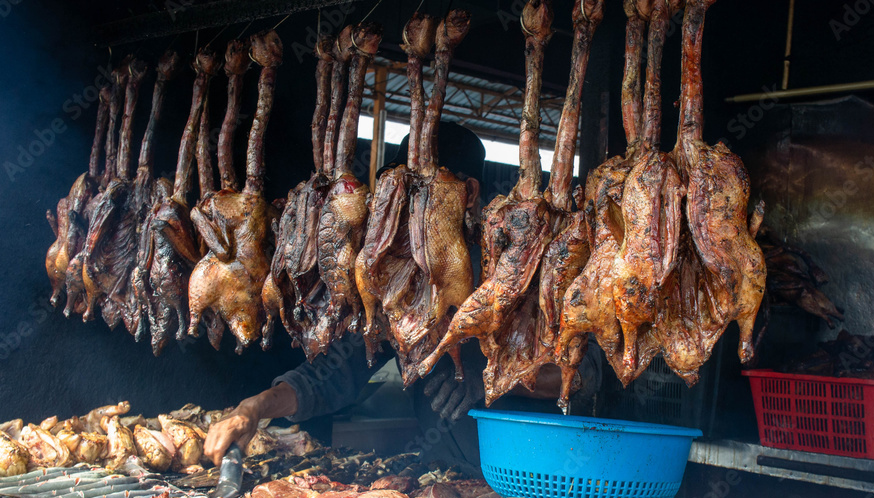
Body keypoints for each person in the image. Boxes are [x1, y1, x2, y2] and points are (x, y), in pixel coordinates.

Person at [204, 123, 603, 474]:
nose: (399, 212)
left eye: (417, 196)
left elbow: (588, 373)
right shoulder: (396, 282)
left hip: (547, 477)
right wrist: (254, 409)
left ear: (467, 194)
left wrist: (490, 383)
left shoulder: (521, 264)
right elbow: (329, 378)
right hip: (452, 484)